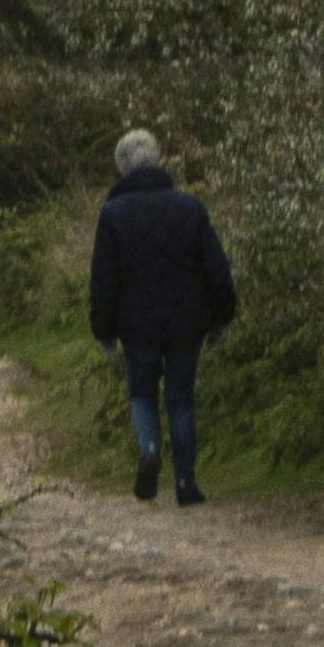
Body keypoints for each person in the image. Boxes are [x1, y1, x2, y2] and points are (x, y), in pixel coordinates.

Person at [88, 128, 238, 505]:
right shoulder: (190, 206)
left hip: (136, 324)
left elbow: (103, 281)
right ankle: (186, 482)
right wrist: (223, 317)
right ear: (160, 162)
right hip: (188, 320)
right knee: (181, 397)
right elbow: (215, 268)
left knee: (141, 392)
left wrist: (103, 330)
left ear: (119, 171)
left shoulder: (113, 214)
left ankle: (150, 449)